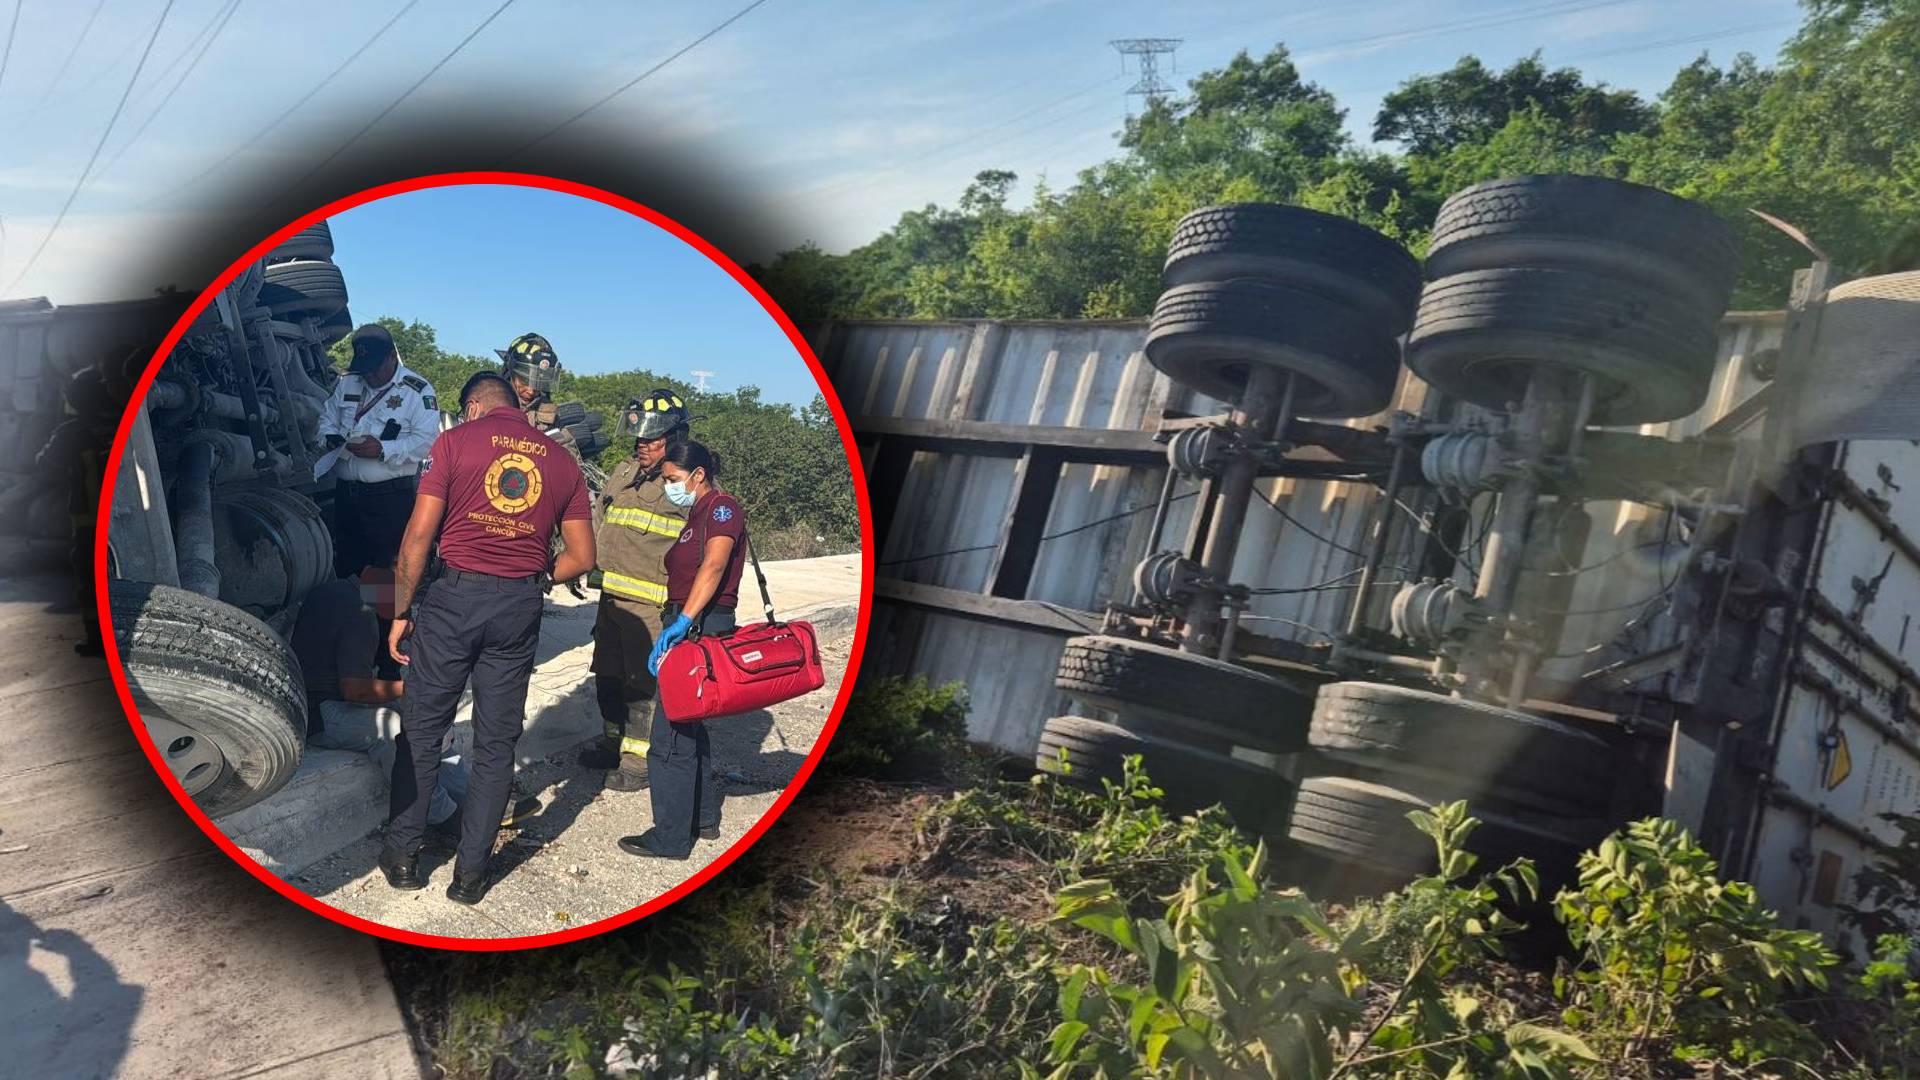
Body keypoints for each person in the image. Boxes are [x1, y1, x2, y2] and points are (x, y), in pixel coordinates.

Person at [380, 371, 594, 904]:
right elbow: (583, 558)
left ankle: (404, 857)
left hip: (454, 601)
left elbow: (417, 538)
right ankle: (471, 875)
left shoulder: (453, 443)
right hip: (519, 606)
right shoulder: (563, 462)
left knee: (425, 730)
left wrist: (400, 611)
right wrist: (536, 577)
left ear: (473, 406)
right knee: (498, 744)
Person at [618, 440, 744, 861]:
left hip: (700, 623)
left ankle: (670, 837)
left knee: (669, 732)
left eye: (673, 479)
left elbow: (714, 566)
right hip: (693, 620)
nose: (670, 486)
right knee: (692, 724)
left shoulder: (722, 507)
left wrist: (683, 622)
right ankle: (702, 819)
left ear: (698, 475)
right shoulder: (698, 512)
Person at [581, 390, 692, 790]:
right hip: (610, 598)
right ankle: (612, 742)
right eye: (639, 436)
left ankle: (637, 760)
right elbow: (599, 518)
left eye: (652, 437)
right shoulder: (625, 471)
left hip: (651, 605)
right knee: (606, 675)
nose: (642, 444)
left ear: (675, 437)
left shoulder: (683, 483)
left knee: (640, 683)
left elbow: (701, 542)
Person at [317, 324, 438, 577]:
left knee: (381, 577)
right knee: (346, 569)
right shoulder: (349, 381)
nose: (368, 375)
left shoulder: (417, 390)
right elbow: (326, 417)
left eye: (374, 368)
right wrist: (328, 436)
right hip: (346, 495)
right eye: (364, 368)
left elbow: (425, 443)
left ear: (392, 357)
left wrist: (383, 449)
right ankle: (350, 616)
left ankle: (382, 618)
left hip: (388, 500)